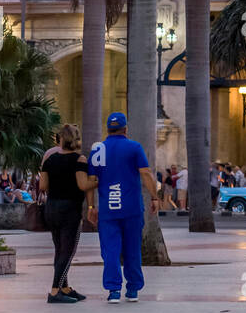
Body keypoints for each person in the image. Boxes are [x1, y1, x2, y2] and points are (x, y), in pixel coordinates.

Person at [86, 112, 158, 303]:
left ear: (107, 129)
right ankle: (133, 289)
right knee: (132, 249)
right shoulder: (134, 147)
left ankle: (113, 290)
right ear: (126, 129)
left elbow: (91, 181)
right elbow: (146, 173)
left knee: (110, 250)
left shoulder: (98, 149)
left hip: (108, 210)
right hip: (132, 208)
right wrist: (155, 197)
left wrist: (91, 206)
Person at [39, 123, 97, 303]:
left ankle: (64, 287)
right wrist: (97, 181)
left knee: (59, 249)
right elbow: (83, 185)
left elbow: (42, 186)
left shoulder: (49, 159)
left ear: (60, 139)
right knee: (68, 251)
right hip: (69, 209)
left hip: (51, 208)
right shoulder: (79, 160)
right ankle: (55, 291)